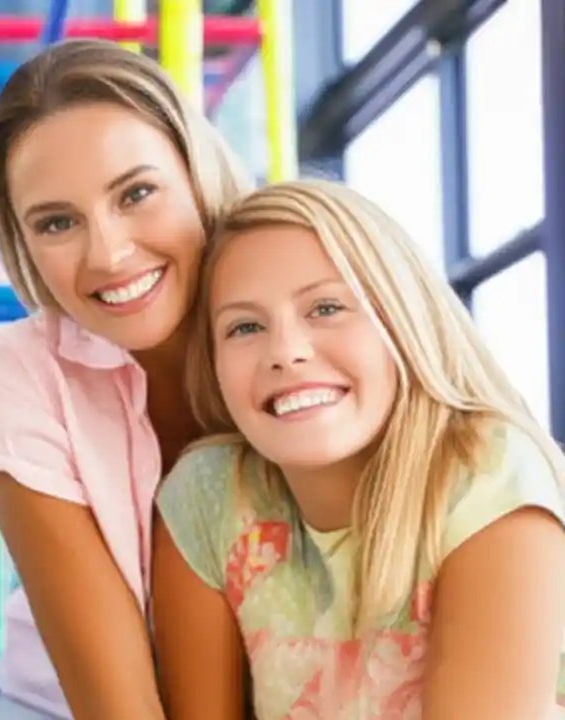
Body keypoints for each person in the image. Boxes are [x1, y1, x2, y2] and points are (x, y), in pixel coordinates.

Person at [152, 179, 565, 719]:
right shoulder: (209, 496)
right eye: (245, 326)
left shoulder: (488, 476)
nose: (287, 352)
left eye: (325, 308)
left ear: (400, 319)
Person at [0, 39, 254, 718]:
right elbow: (116, 709)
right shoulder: (20, 374)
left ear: (195, 172)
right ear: (21, 240)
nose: (109, 253)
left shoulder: (299, 327)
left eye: (137, 193)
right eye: (57, 222)